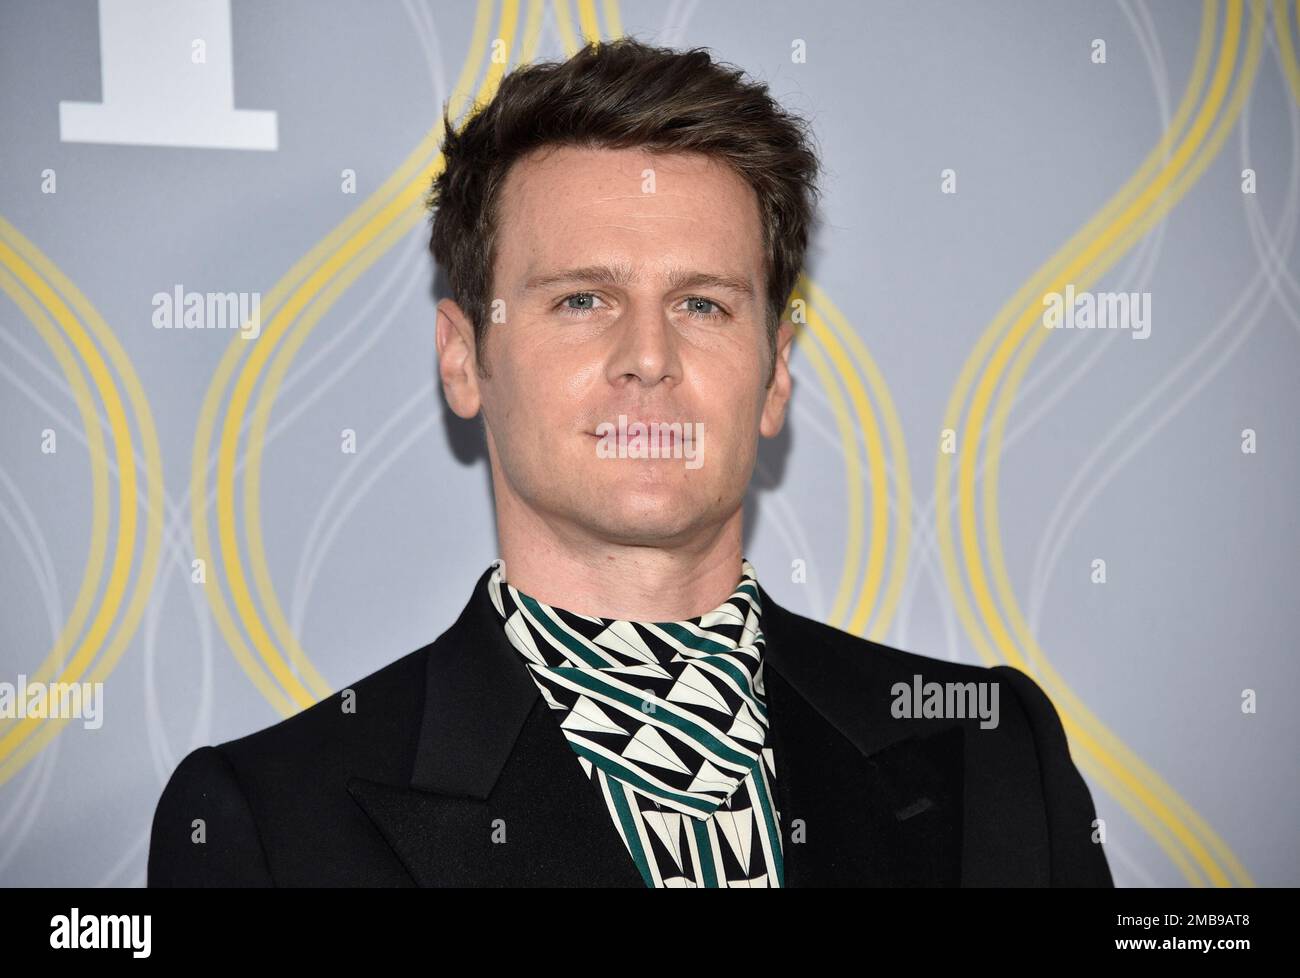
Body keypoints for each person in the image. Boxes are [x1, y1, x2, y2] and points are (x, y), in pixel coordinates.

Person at [148, 36, 1112, 888]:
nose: (649, 358)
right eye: (583, 300)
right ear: (463, 357)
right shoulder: (267, 822)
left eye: (703, 304)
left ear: (775, 373)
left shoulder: (993, 753)